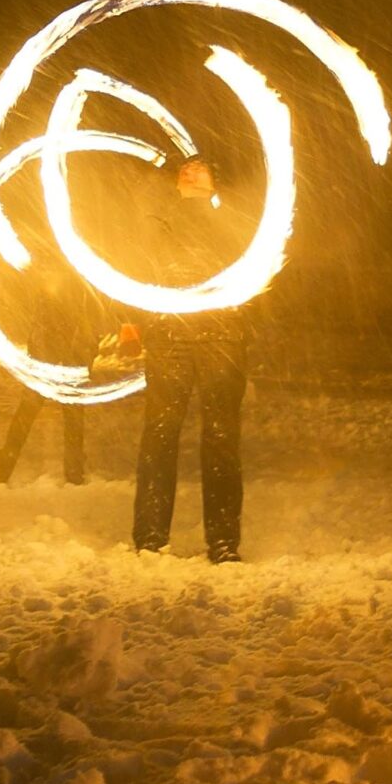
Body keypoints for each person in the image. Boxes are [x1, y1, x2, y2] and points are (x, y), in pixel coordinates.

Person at [131, 156, 250, 563]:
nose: (191, 169)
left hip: (221, 335)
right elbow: (139, 272)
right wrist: (141, 323)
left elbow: (258, 279)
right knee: (160, 434)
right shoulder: (160, 221)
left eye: (202, 166)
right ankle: (149, 537)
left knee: (220, 438)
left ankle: (223, 542)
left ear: (216, 182)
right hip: (170, 335)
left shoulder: (234, 225)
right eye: (186, 166)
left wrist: (246, 327)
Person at [0, 259, 101, 485]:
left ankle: (9, 464)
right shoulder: (68, 279)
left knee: (57, 412)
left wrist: (85, 349)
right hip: (54, 351)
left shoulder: (71, 280)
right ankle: (9, 464)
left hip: (64, 350)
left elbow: (85, 319)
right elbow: (70, 319)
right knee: (41, 409)